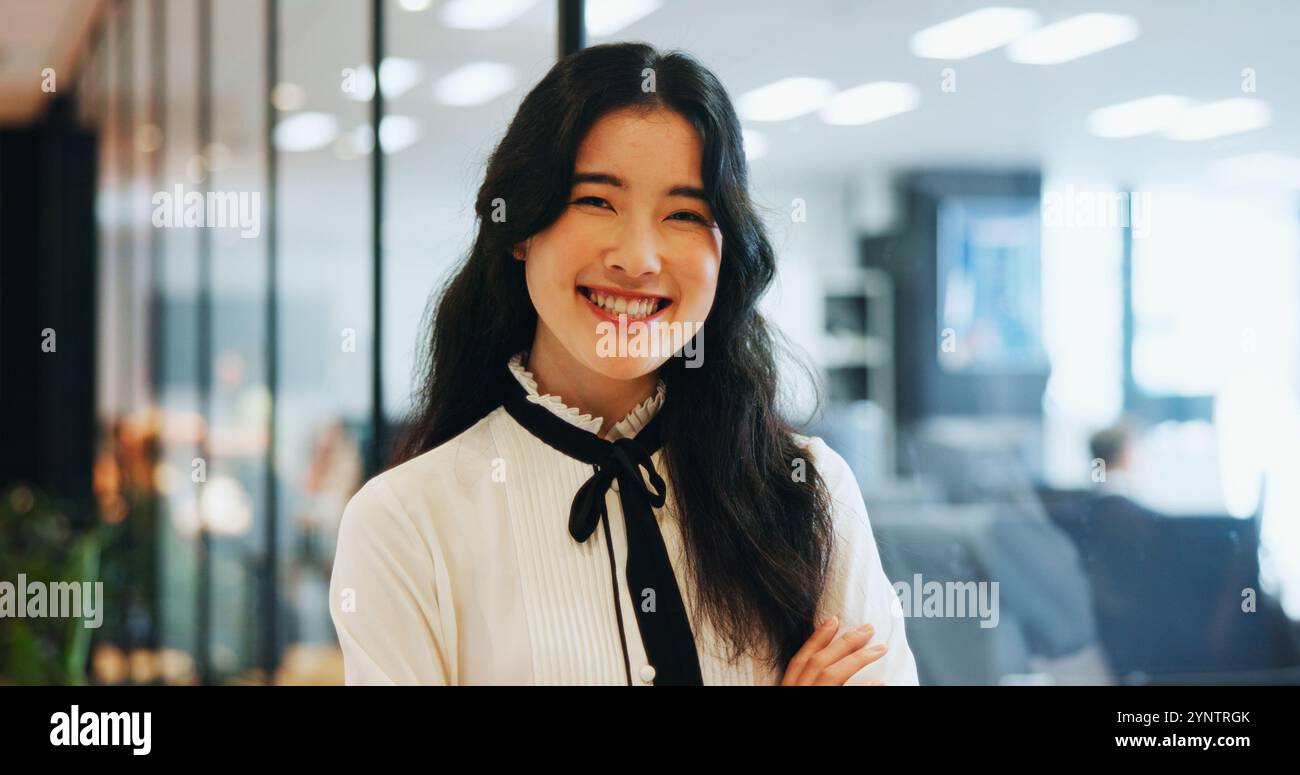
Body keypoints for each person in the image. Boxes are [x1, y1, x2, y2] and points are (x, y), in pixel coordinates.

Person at [327, 42, 918, 686]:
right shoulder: (405, 523)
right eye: (596, 201)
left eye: (686, 214)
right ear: (522, 228)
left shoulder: (807, 490)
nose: (637, 259)